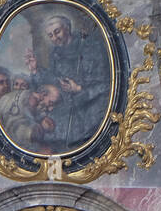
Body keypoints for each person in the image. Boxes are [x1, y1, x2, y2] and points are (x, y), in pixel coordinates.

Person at [25, 13, 111, 145]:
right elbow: (55, 80)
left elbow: (106, 84)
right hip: (70, 111)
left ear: (67, 28)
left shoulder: (90, 47)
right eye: (50, 35)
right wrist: (36, 70)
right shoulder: (56, 54)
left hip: (93, 110)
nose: (54, 38)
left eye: (57, 32)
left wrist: (78, 89)